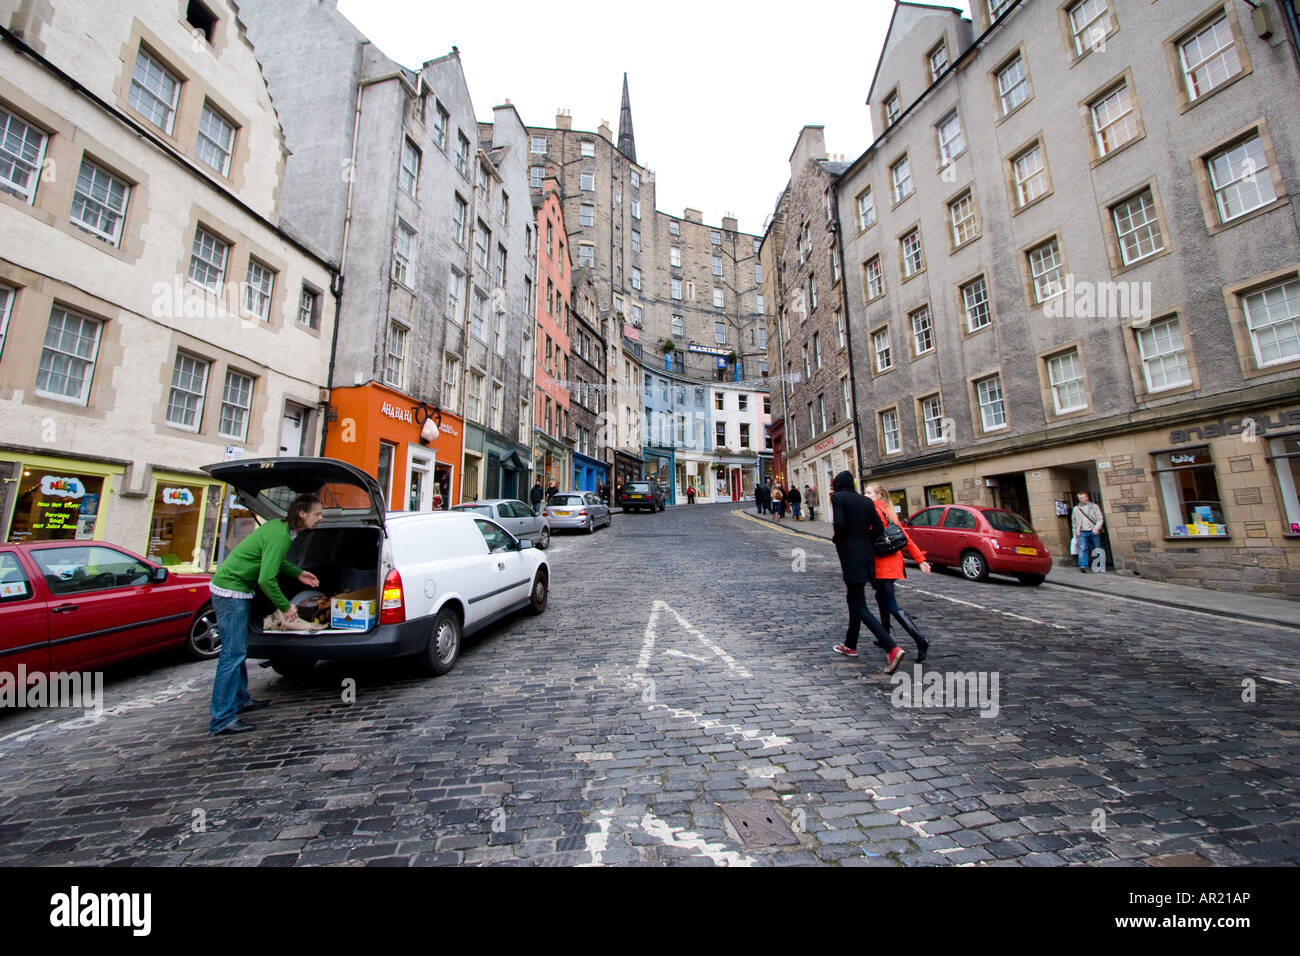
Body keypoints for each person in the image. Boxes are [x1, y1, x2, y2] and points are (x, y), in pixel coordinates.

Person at [207, 493, 323, 735]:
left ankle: (240, 700)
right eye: (317, 513)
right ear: (302, 513)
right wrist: (285, 606)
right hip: (231, 592)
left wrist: (297, 573)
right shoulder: (281, 535)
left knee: (238, 650)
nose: (320, 518)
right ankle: (222, 718)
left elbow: (272, 560)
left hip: (235, 589)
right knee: (232, 654)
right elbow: (266, 579)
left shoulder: (279, 528)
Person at [830, 471, 904, 672]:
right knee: (854, 599)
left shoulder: (837, 497)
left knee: (859, 604)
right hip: (867, 557)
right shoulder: (866, 501)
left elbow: (839, 524)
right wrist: (864, 538)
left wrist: (841, 540)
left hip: (851, 556)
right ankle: (850, 645)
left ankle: (891, 647)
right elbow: (879, 529)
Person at [865, 482, 932, 662]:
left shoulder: (876, 512)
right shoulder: (887, 511)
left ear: (878, 496)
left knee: (891, 605)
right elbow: (906, 537)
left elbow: (871, 534)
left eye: (869, 492)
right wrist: (920, 559)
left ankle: (920, 639)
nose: (866, 495)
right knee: (881, 598)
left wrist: (921, 560)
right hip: (889, 563)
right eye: (866, 492)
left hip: (885, 565)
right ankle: (884, 635)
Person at [1072, 491, 1105, 572]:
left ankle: (1099, 566)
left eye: (1083, 497)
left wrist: (1097, 528)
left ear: (1087, 498)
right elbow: (1074, 521)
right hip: (1082, 531)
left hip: (1093, 530)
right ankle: (1083, 565)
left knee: (1097, 548)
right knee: (1082, 548)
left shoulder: (1094, 507)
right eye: (1080, 498)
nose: (1082, 499)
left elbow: (1100, 518)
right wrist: (1075, 532)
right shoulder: (1076, 509)